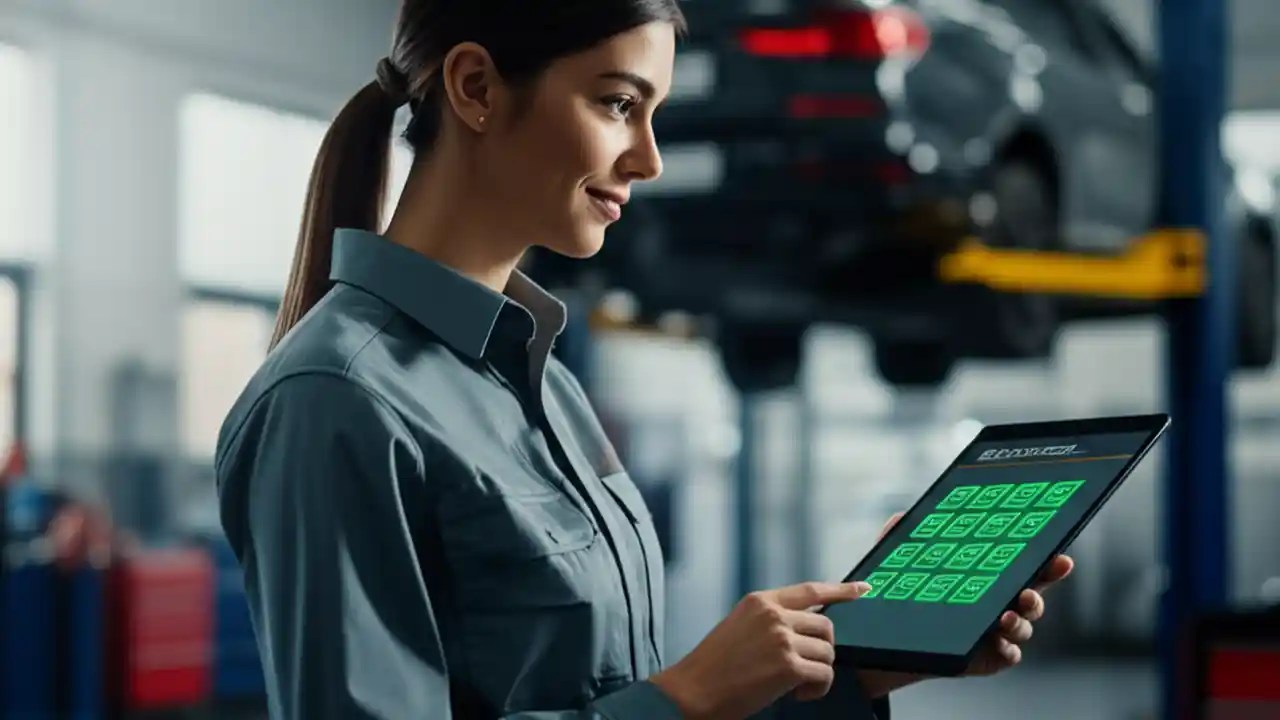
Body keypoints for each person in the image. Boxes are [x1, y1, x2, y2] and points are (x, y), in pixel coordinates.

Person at [213, 1, 1075, 718]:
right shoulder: (335, 400)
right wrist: (687, 695)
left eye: (654, 113)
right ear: (476, 88)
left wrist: (849, 670)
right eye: (619, 104)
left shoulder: (543, 382)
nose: (651, 158)